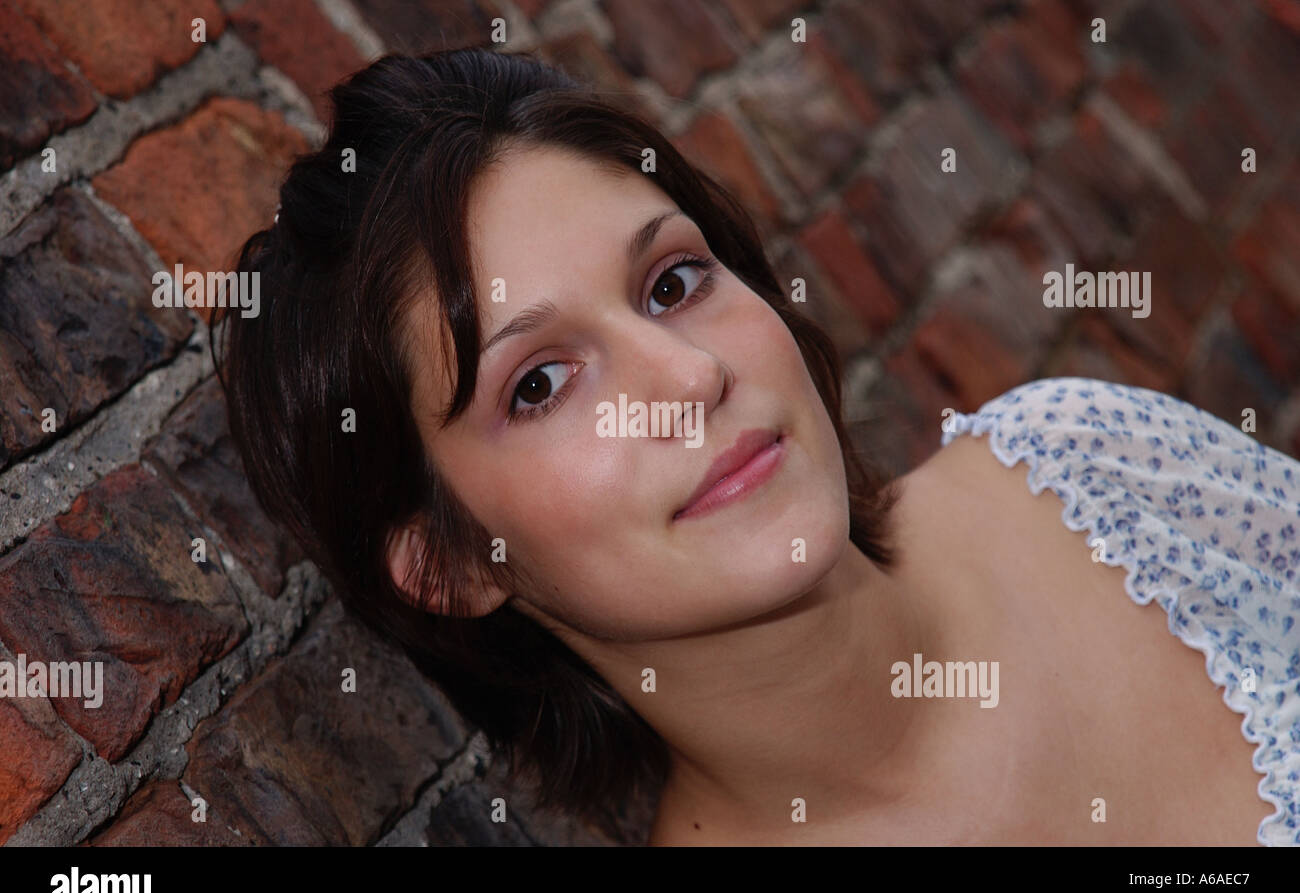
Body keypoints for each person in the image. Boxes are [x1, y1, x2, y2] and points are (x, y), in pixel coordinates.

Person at [212, 47, 1300, 846]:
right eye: (538, 384)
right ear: (448, 566)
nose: (688, 378)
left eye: (673, 283)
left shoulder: (1095, 466)